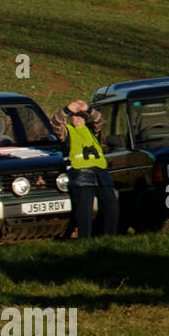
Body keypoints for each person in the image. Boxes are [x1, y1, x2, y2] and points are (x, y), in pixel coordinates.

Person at [50, 100, 118, 239]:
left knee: (111, 205)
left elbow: (100, 119)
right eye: (76, 116)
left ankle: (110, 236)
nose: (79, 118)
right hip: (81, 176)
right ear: (71, 118)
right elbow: (55, 123)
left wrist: (88, 109)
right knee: (84, 211)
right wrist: (67, 109)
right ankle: (85, 239)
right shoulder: (67, 132)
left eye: (82, 116)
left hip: (101, 174)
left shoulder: (92, 129)